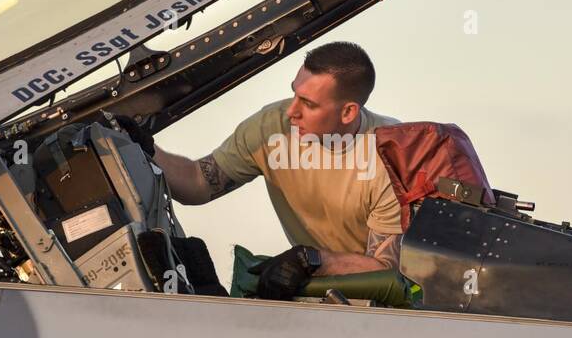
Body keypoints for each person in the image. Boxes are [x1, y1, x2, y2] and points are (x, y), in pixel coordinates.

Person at [133, 41, 403, 300]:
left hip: (395, 311)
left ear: (348, 112)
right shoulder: (271, 128)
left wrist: (311, 260)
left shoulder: (394, 157)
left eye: (308, 104)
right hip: (318, 285)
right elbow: (198, 182)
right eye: (295, 93)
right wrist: (145, 147)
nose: (291, 112)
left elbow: (386, 269)